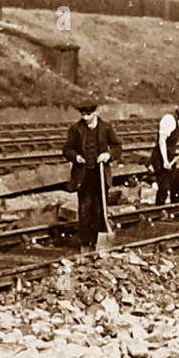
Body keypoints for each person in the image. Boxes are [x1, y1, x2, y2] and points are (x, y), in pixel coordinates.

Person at [62, 100, 123, 249]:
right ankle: (85, 242)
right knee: (84, 209)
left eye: (88, 114)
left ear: (95, 113)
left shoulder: (106, 128)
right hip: (83, 176)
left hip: (100, 175)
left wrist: (108, 155)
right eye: (83, 114)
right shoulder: (75, 129)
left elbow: (117, 146)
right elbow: (67, 149)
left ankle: (97, 241)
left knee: (99, 209)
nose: (85, 117)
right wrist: (75, 157)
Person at [151, 100, 179, 205]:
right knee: (164, 186)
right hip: (161, 156)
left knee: (175, 184)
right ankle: (159, 209)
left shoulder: (178, 121)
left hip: (169, 156)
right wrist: (165, 160)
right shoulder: (169, 119)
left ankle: (176, 208)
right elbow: (162, 140)